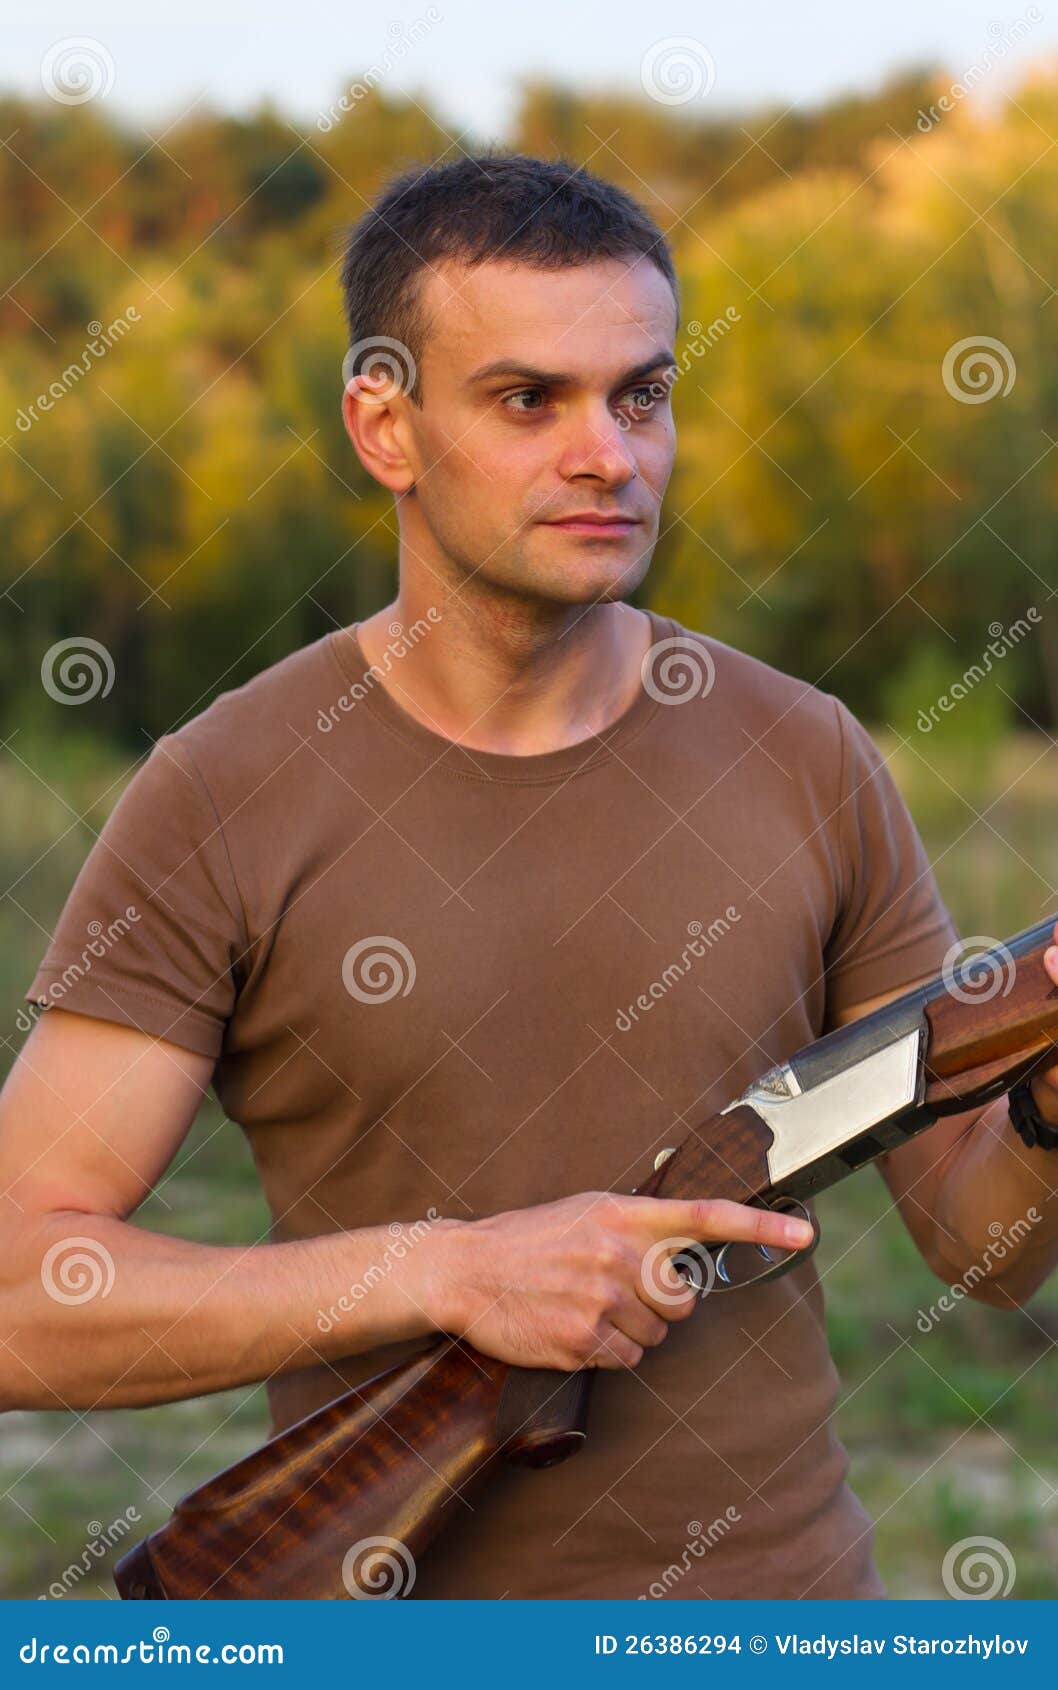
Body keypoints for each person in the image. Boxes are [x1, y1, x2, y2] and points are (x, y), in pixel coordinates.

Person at [4, 153, 1058, 1601]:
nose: (609, 455)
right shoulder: (222, 787)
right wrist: (450, 1274)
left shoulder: (808, 754)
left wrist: (1044, 1108)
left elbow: (981, 1249)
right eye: (527, 400)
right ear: (385, 423)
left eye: (641, 393)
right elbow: (18, 1300)